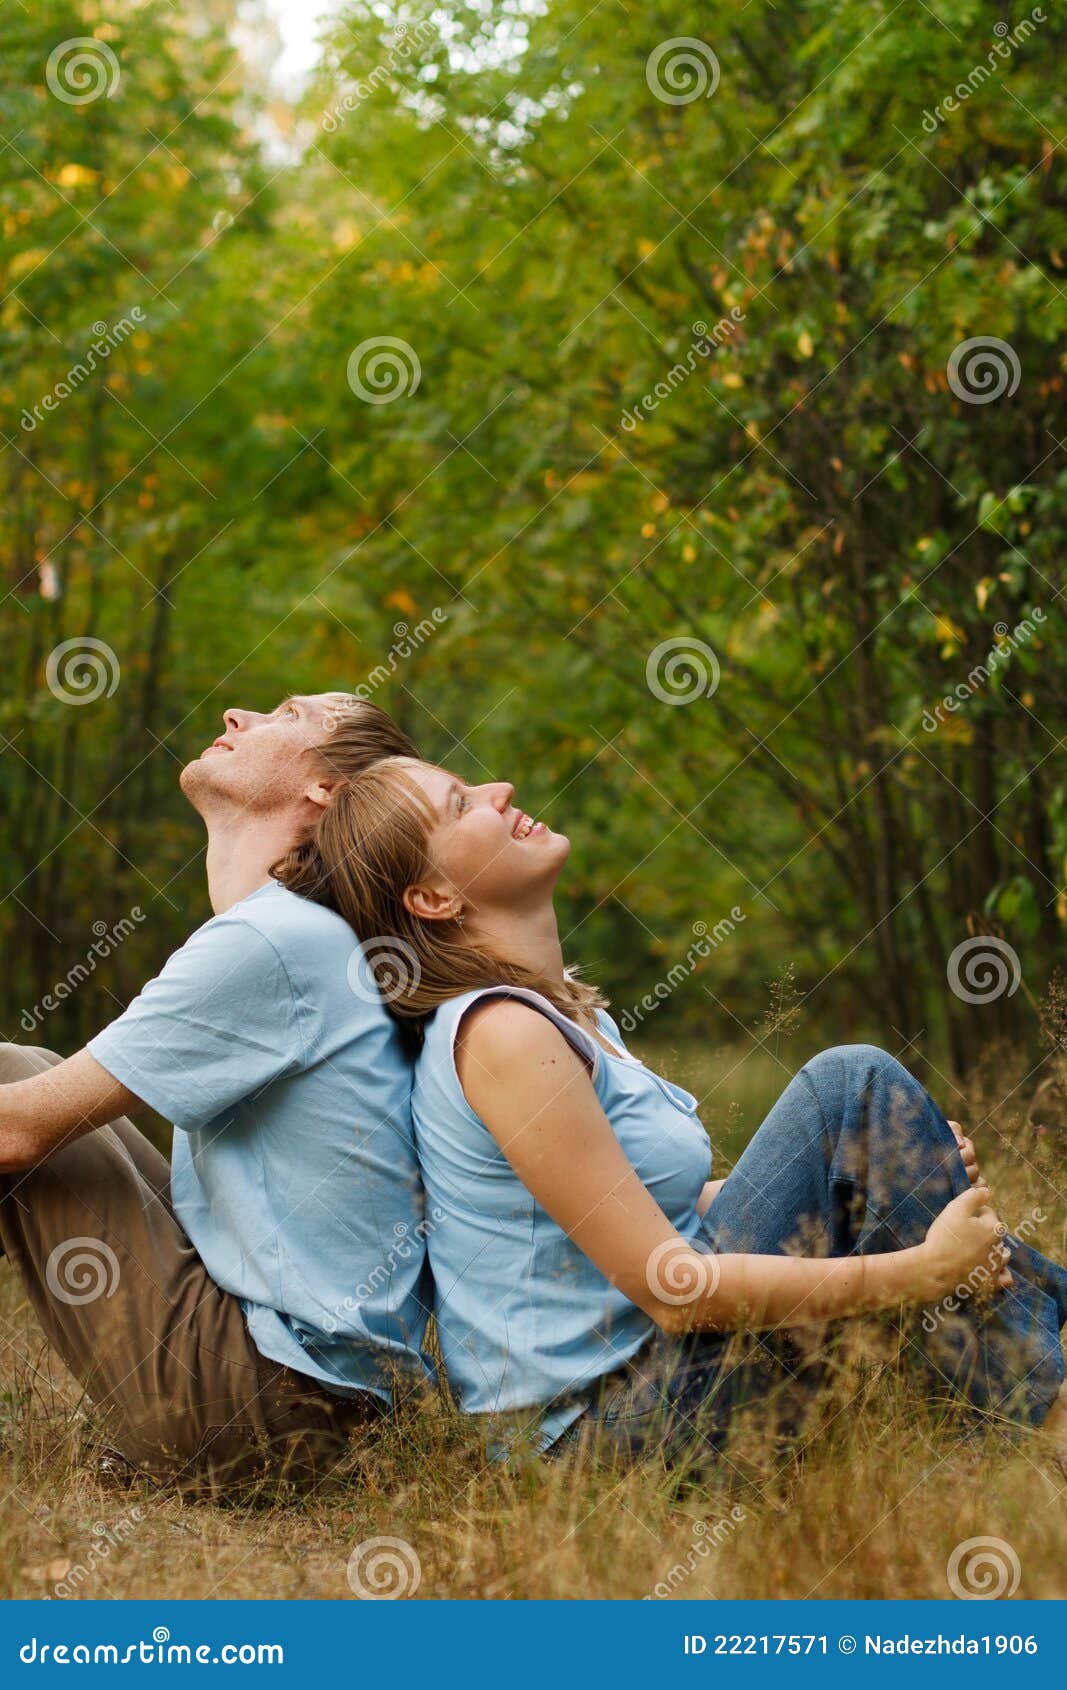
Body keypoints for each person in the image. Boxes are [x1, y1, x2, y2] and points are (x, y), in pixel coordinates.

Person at [280, 754, 1067, 1464]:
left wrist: (887, 1164)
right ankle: (1039, 1417)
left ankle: (1031, 1399)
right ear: (432, 896)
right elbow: (674, 1289)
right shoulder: (503, 1036)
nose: (502, 788)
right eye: (461, 804)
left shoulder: (565, 1015)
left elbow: (645, 1215)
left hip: (657, 1373)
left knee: (860, 1113)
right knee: (848, 1081)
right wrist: (919, 1271)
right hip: (600, 1430)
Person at [0, 696, 433, 1489]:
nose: (238, 712)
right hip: (312, 1400)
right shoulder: (306, 931)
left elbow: (15, 1135)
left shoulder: (277, 938)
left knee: (13, 1088)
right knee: (22, 1062)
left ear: (324, 791)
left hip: (264, 1412)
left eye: (287, 714)